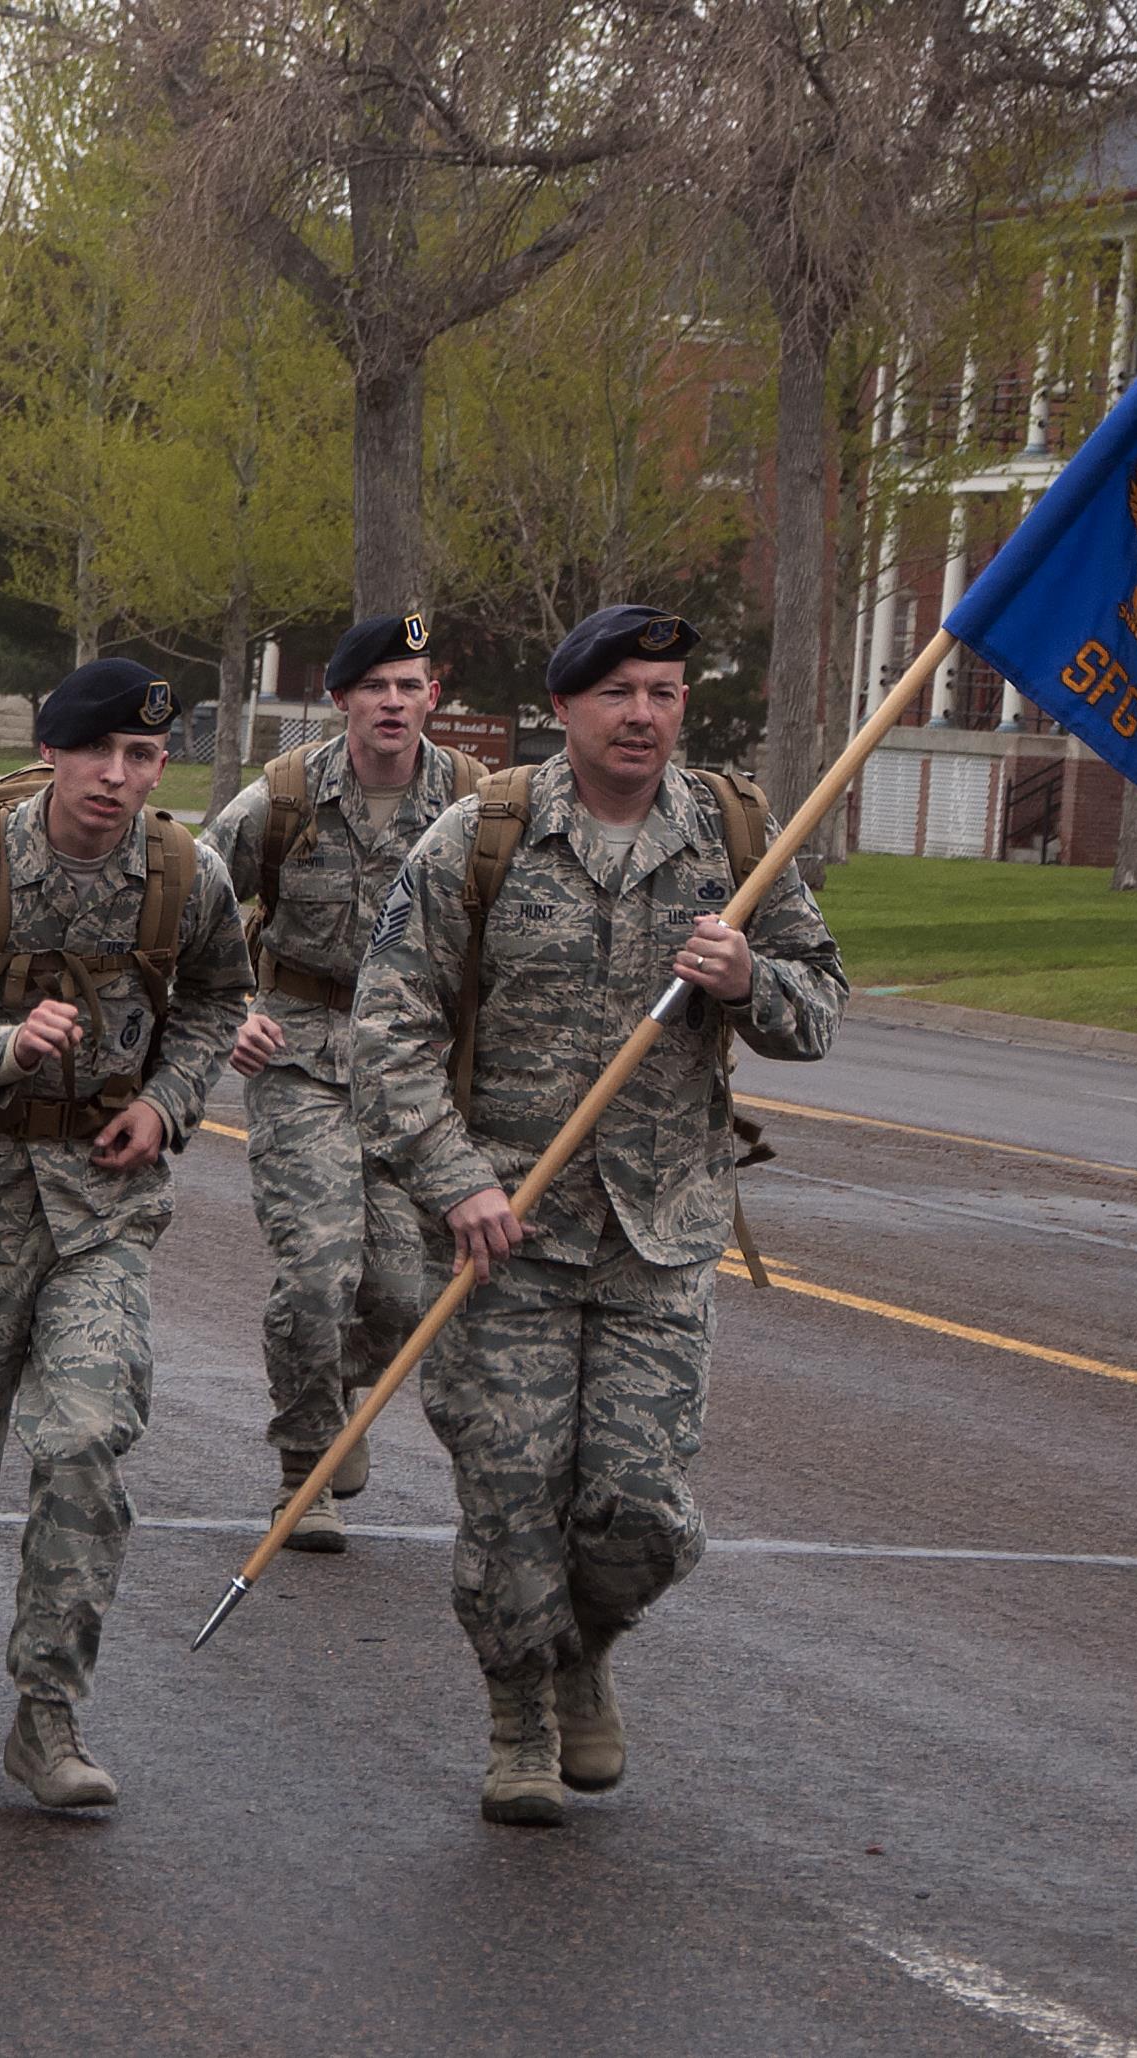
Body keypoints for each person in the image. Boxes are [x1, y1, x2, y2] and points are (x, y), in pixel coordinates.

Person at [351, 603, 843, 1827]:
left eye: (665, 693)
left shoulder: (736, 838)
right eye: (619, 691)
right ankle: (519, 1715)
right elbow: (388, 1028)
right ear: (566, 707)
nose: (642, 715)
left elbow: (819, 1011)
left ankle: (583, 1648)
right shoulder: (485, 837)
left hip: (662, 1233)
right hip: (504, 1232)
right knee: (513, 1495)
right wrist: (454, 1178)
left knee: (644, 1510)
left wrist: (750, 983)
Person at [0, 658, 252, 1807]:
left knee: (85, 1440)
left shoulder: (187, 874)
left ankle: (49, 1714)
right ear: (53, 755)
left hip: (101, 1214)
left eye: (142, 759)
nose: (120, 779)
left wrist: (165, 1103)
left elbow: (223, 999)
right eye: (100, 755)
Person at [200, 612, 486, 1550]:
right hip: (300, 1050)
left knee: (406, 1295)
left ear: (432, 697)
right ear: (343, 700)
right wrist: (229, 1008)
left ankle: (333, 1389)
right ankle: (305, 1468)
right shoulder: (281, 799)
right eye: (375, 687)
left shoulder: (479, 805)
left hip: (413, 1067)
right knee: (320, 1272)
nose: (393, 702)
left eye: (410, 685)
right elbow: (183, 903)